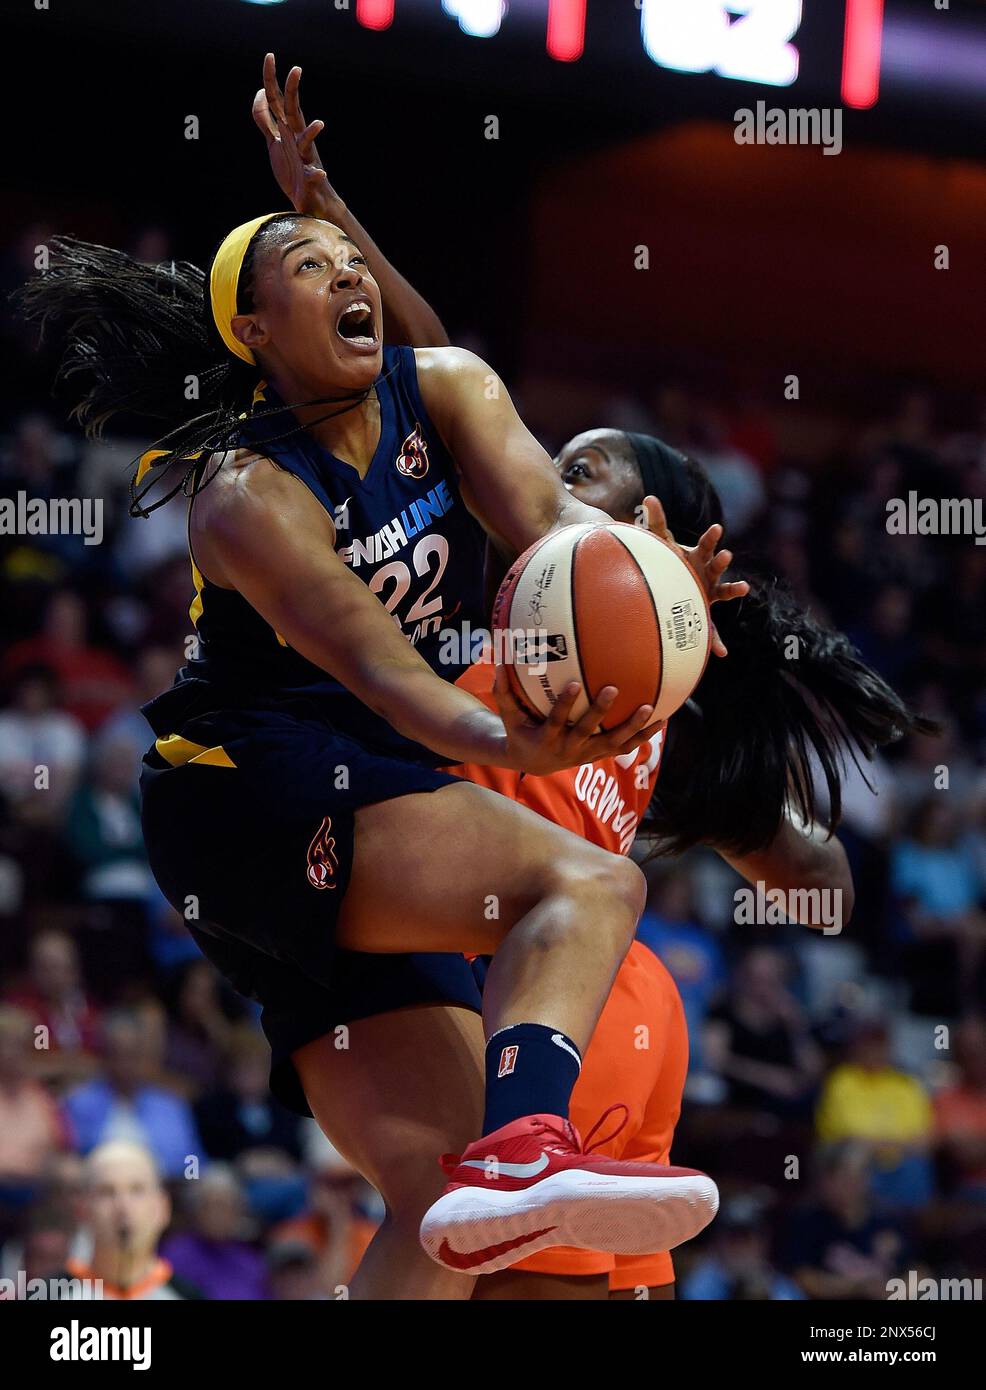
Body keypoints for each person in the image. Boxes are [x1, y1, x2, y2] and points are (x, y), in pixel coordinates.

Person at [19, 64, 748, 1296]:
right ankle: (535, 1140)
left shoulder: (447, 389)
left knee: (443, 1197)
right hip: (249, 786)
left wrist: (639, 580)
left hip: (368, 787)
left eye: (350, 260)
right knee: (586, 881)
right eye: (309, 267)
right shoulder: (247, 495)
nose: (349, 274)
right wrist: (507, 744)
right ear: (250, 333)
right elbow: (377, 666)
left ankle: (507, 1156)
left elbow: (546, 533)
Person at [244, 56, 934, 1300]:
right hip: (589, 991)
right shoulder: (570, 622)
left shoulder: (579, 622)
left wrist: (737, 767)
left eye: (579, 470)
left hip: (527, 984)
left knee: (459, 1236)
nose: (532, 469)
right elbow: (439, 375)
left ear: (645, 525)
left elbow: (818, 883)